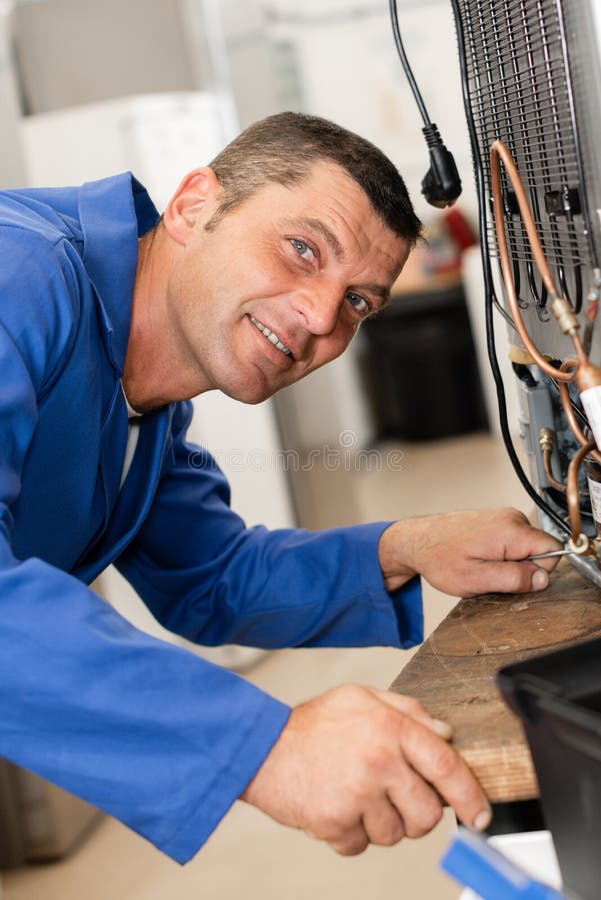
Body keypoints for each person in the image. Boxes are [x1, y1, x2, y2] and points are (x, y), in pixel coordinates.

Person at [0, 112, 560, 864]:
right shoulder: (18, 274)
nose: (321, 317)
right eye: (302, 249)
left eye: (359, 301)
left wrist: (406, 546)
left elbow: (213, 578)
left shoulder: (147, 406)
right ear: (195, 204)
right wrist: (270, 746)